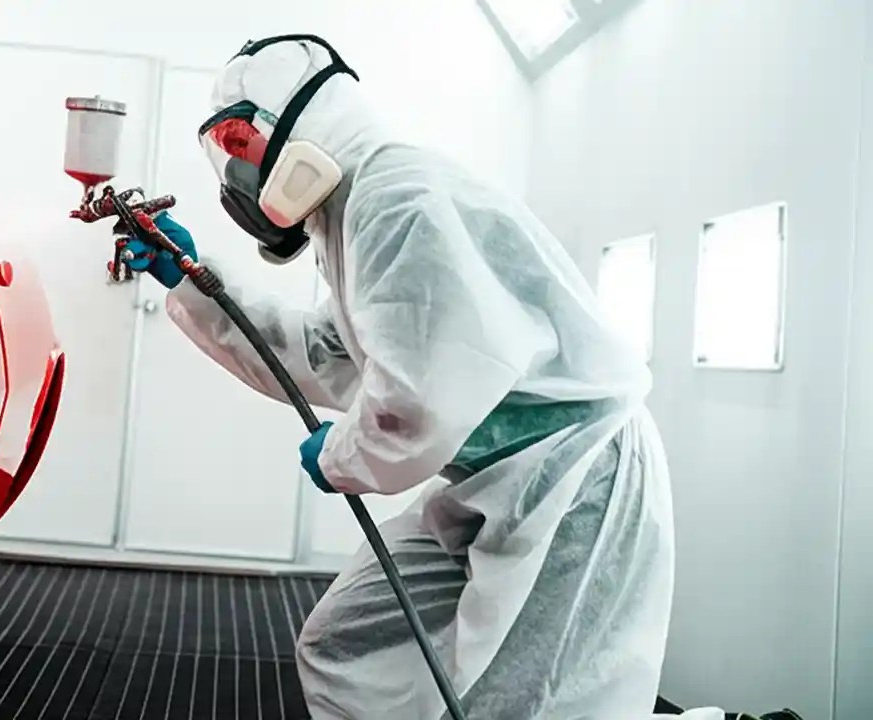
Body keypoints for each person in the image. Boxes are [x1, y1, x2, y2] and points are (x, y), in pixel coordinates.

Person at [123, 34, 710, 720]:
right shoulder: (351, 212)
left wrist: (344, 455)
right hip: (489, 482)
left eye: (237, 145)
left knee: (531, 706)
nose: (235, 176)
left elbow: (420, 407)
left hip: (572, 481)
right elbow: (328, 351)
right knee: (348, 641)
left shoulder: (399, 199)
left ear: (289, 123)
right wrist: (198, 284)